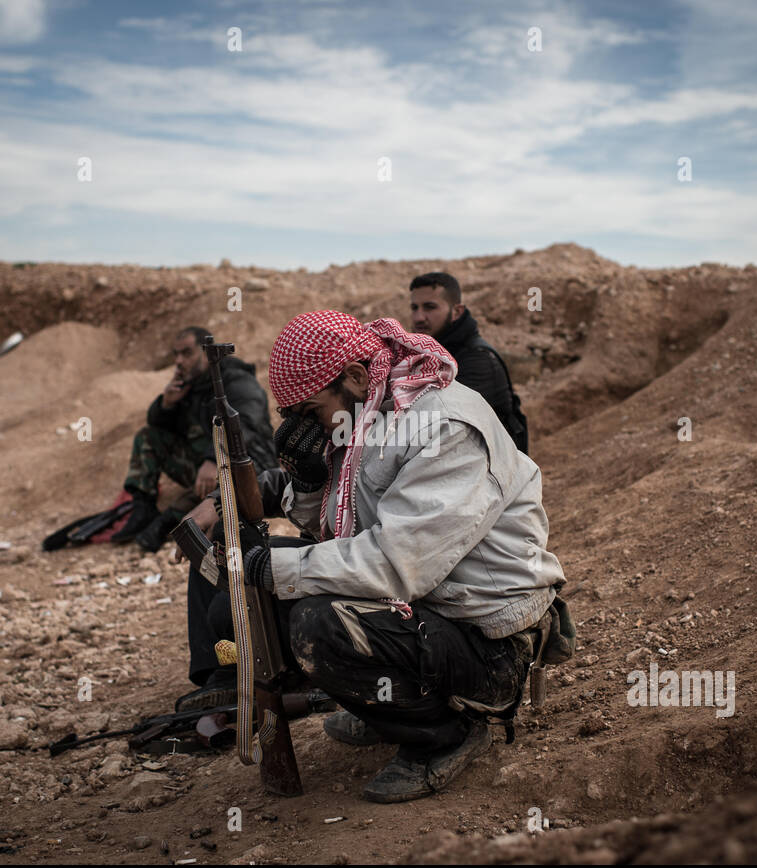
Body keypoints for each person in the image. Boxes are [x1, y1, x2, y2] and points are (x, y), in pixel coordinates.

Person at [182, 309, 568, 803]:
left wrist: (279, 569)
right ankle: (391, 702)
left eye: (310, 411)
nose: (308, 424)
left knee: (316, 623)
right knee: (244, 599)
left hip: (484, 637)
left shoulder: (445, 428)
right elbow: (334, 531)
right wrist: (307, 479)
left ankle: (449, 730)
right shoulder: (368, 413)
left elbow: (393, 566)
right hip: (429, 608)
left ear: (358, 377)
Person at [111, 326, 277, 551]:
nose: (179, 361)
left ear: (205, 352)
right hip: (208, 464)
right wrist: (167, 404)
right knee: (147, 437)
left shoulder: (235, 380)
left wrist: (212, 459)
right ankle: (143, 508)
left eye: (187, 353)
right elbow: (161, 428)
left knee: (204, 505)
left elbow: (245, 424)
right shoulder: (191, 385)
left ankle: (171, 521)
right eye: (176, 354)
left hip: (249, 464)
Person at [408, 271, 528, 452]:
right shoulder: (435, 354)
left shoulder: (477, 359)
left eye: (430, 307)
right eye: (414, 308)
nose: (419, 317)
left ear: (456, 311)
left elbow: (436, 422)